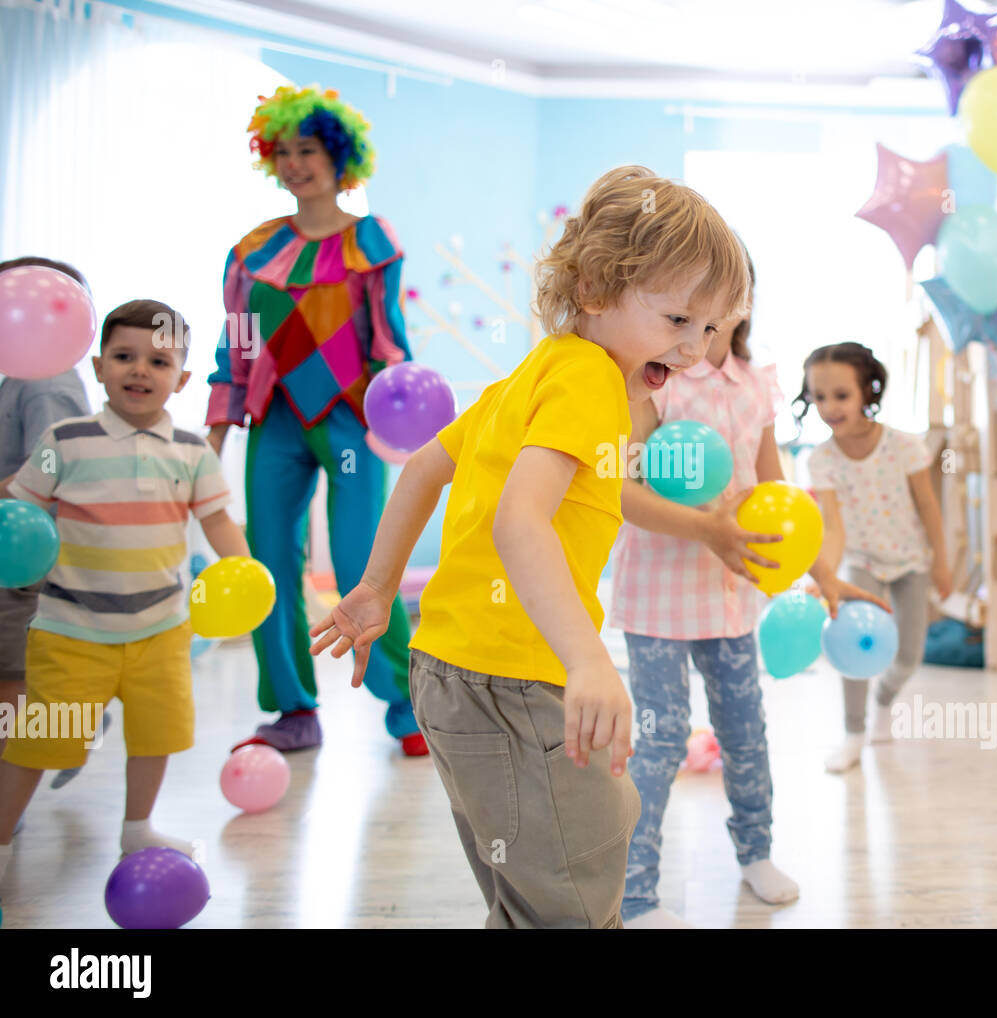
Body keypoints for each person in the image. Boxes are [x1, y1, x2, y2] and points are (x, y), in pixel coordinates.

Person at [309, 166, 751, 928]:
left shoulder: (529, 375)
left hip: (451, 672)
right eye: (678, 319)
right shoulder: (586, 381)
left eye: (711, 329)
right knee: (572, 898)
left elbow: (422, 470)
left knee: (535, 888)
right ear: (592, 289)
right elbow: (522, 523)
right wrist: (587, 660)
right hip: (510, 679)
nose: (695, 350)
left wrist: (379, 587)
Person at [611, 252, 889, 927]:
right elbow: (622, 492)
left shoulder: (754, 385)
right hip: (656, 593)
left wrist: (823, 576)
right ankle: (638, 892)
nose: (713, 314)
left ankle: (756, 853)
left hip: (732, 593)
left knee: (745, 730)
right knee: (659, 739)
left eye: (729, 297)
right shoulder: (656, 383)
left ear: (745, 302)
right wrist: (708, 527)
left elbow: (773, 498)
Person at [0, 299, 249, 896]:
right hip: (70, 628)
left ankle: (138, 827)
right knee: (40, 740)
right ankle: (3, 835)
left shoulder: (192, 452)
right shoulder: (67, 439)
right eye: (124, 357)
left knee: (156, 735)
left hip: (160, 629)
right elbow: (23, 506)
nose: (140, 370)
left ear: (182, 379)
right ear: (98, 366)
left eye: (158, 361)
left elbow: (217, 521)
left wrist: (243, 570)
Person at [206, 85, 424, 755]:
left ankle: (408, 708)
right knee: (268, 560)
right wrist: (208, 441)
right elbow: (237, 345)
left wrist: (410, 425)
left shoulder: (372, 242)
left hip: (351, 423)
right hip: (273, 421)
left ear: (340, 158)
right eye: (285, 151)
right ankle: (293, 707)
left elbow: (389, 342)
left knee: (367, 565)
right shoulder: (253, 250)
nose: (296, 163)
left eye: (309, 149)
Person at [797, 342, 951, 773]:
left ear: (868, 390)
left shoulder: (904, 445)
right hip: (862, 561)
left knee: (909, 656)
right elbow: (834, 526)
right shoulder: (822, 459)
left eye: (841, 395)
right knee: (852, 649)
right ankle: (853, 734)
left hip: (912, 561)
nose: (829, 406)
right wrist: (826, 572)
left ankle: (885, 700)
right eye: (819, 396)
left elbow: (928, 507)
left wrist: (941, 561)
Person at [0, 258, 94, 790]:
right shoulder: (17, 369)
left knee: (15, 670)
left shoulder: (47, 379)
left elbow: (54, 469)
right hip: (14, 543)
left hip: (29, 552)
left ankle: (26, 767)